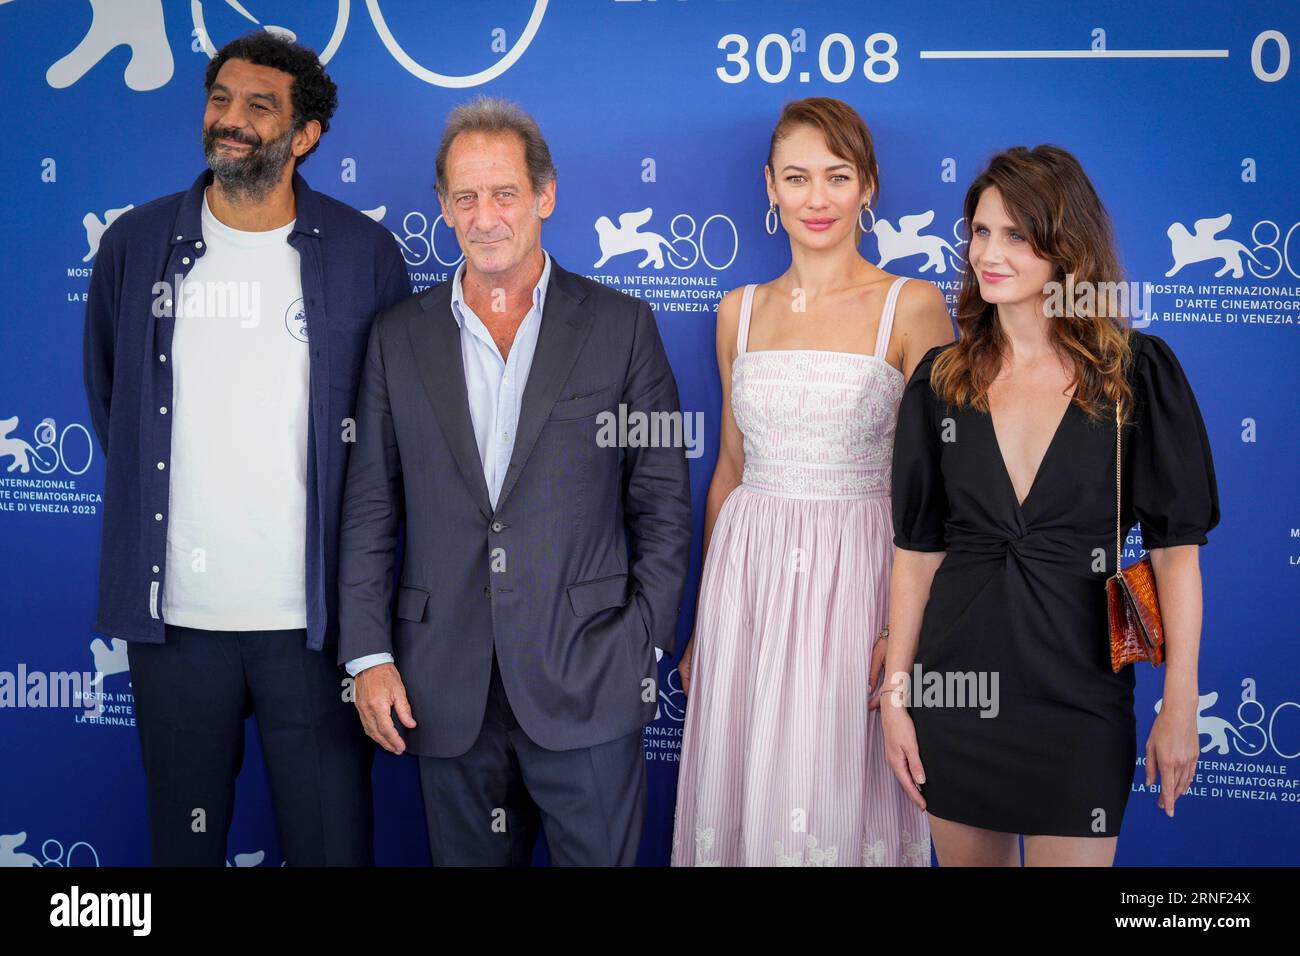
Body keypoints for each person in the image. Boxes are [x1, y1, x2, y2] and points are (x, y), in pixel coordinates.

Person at [81, 32, 411, 865]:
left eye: (259, 107)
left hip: (316, 628)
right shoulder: (135, 245)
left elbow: (387, 437)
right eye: (221, 99)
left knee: (332, 847)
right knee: (182, 849)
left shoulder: (365, 256)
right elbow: (111, 396)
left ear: (305, 137)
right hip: (176, 622)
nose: (231, 120)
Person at [338, 96, 693, 866]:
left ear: (545, 195)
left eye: (503, 193)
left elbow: (663, 503)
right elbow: (370, 507)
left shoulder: (621, 326)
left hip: (589, 682)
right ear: (443, 207)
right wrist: (368, 656)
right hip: (442, 688)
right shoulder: (399, 337)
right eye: (465, 197)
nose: (485, 215)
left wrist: (640, 644)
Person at [883, 145, 1220, 866]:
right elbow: (915, 558)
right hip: (956, 690)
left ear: (1066, 249)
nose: (988, 253)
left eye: (1015, 235)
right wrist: (895, 694)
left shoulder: (1137, 376)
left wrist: (1181, 702)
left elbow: (1176, 557)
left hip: (1081, 698)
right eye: (979, 231)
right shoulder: (940, 382)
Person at [671, 98, 953, 866]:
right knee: (747, 786)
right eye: (797, 178)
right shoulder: (740, 312)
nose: (817, 198)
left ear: (868, 186)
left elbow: (935, 487)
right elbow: (729, 469)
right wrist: (705, 621)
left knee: (837, 789)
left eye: (837, 176)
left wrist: (902, 634)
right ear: (770, 187)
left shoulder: (914, 304)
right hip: (749, 583)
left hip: (858, 578)